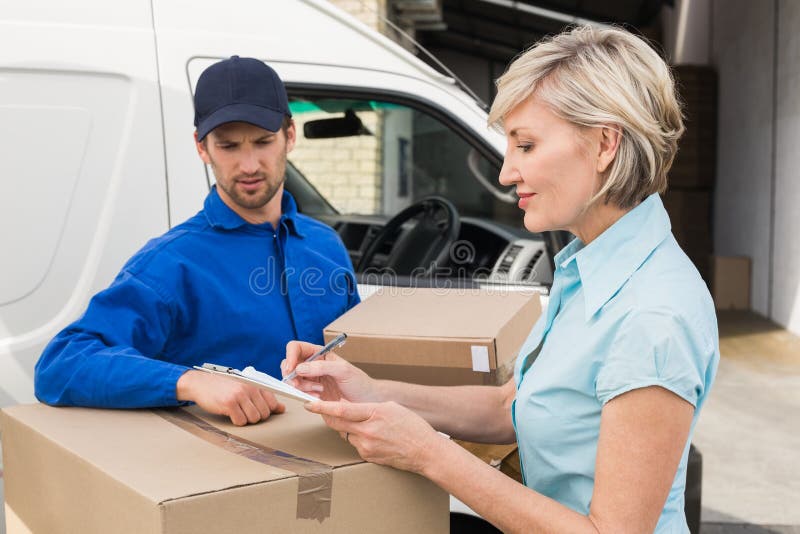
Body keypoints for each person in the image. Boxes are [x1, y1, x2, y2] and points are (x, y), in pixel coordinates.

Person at [283, 26, 719, 533]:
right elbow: (510, 405)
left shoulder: (652, 317)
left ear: (605, 145)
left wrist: (428, 454)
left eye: (526, 145)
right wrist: (372, 391)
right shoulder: (590, 268)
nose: (507, 172)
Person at [34, 56, 360, 426]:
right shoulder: (170, 264)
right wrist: (190, 382)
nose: (249, 164)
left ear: (289, 136)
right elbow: (61, 364)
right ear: (201, 147)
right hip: (237, 475)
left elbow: (357, 360)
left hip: (337, 466)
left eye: (263, 141)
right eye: (229, 146)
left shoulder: (327, 246)